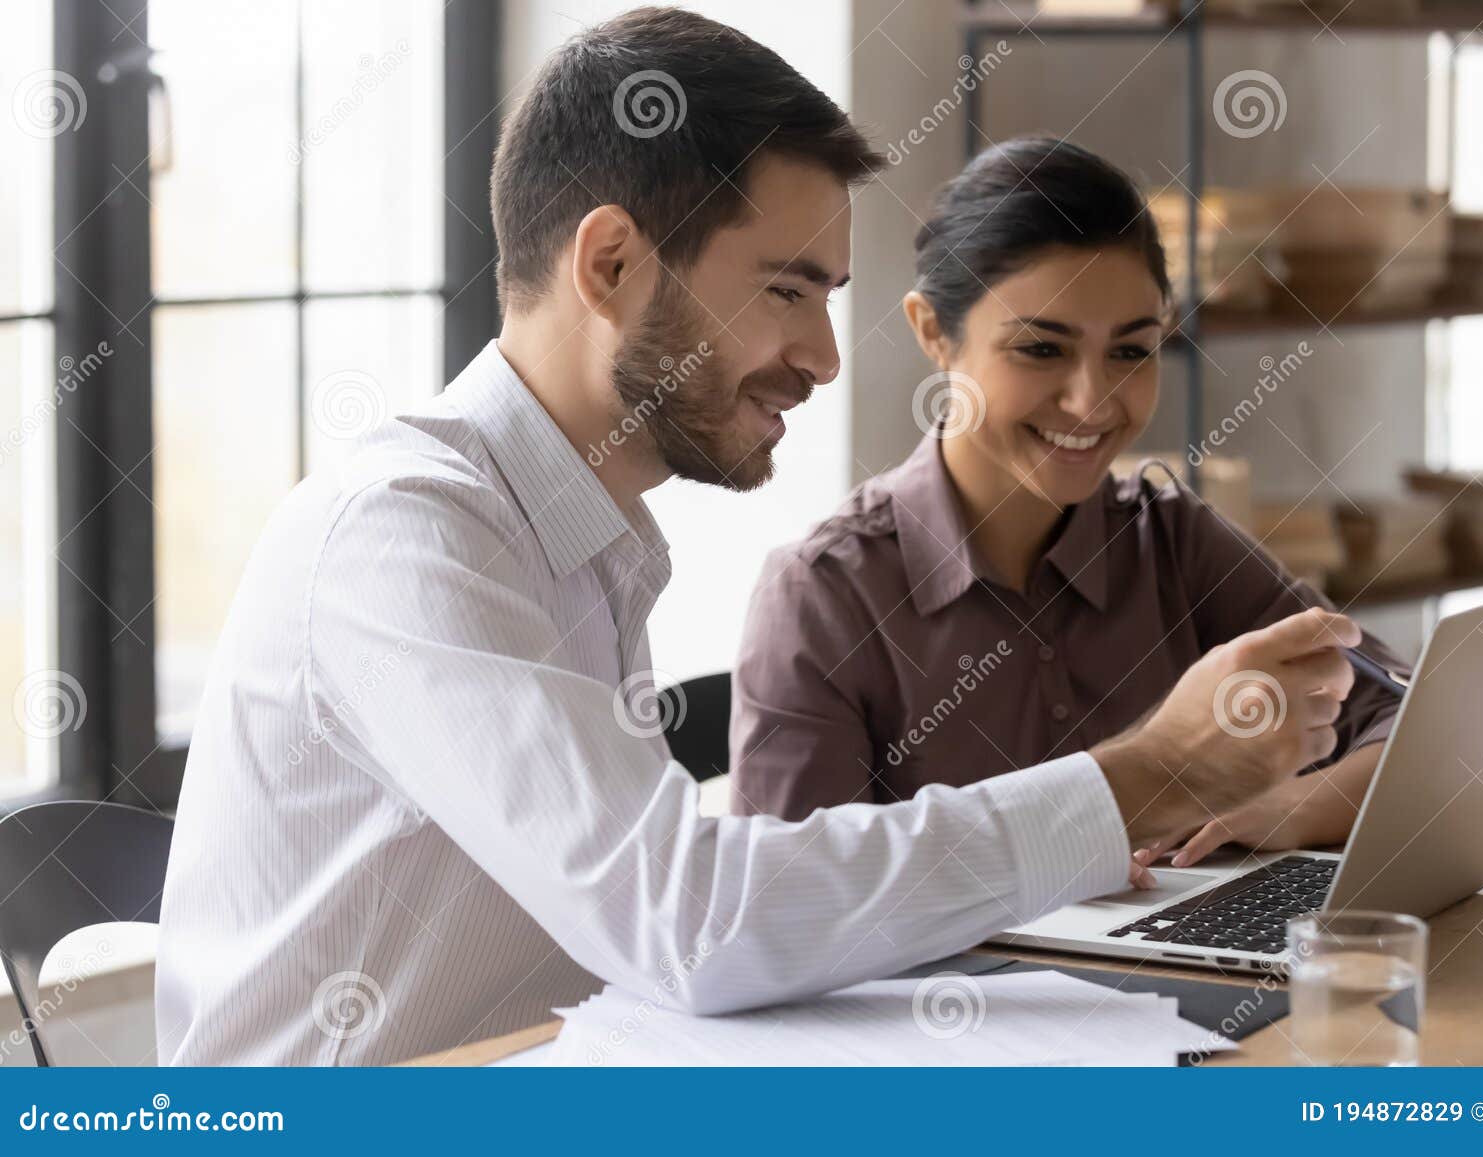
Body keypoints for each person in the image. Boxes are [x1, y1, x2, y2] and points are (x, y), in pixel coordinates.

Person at [158, 12, 1360, 1065]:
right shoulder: (407, 534)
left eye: (828, 298)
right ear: (613, 262)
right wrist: (1152, 770)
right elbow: (685, 918)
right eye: (786, 290)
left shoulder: (591, 537)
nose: (826, 359)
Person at [730, 137, 1405, 871]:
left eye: (1130, 351)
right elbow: (785, 902)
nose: (1092, 401)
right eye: (1041, 350)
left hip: (1177, 973)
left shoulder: (1170, 540)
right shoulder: (825, 596)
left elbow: (1418, 719)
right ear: (934, 333)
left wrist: (1292, 806)